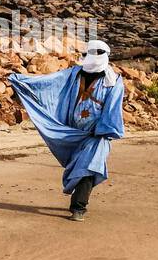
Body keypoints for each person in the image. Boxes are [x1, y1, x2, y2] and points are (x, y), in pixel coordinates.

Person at [8, 39, 125, 220]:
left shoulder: (113, 81)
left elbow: (112, 108)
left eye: (98, 52)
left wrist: (104, 130)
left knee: (90, 166)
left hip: (97, 135)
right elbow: (49, 83)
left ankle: (79, 206)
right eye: (90, 52)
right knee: (81, 166)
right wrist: (22, 81)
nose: (93, 56)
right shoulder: (74, 73)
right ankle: (80, 196)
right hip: (72, 132)